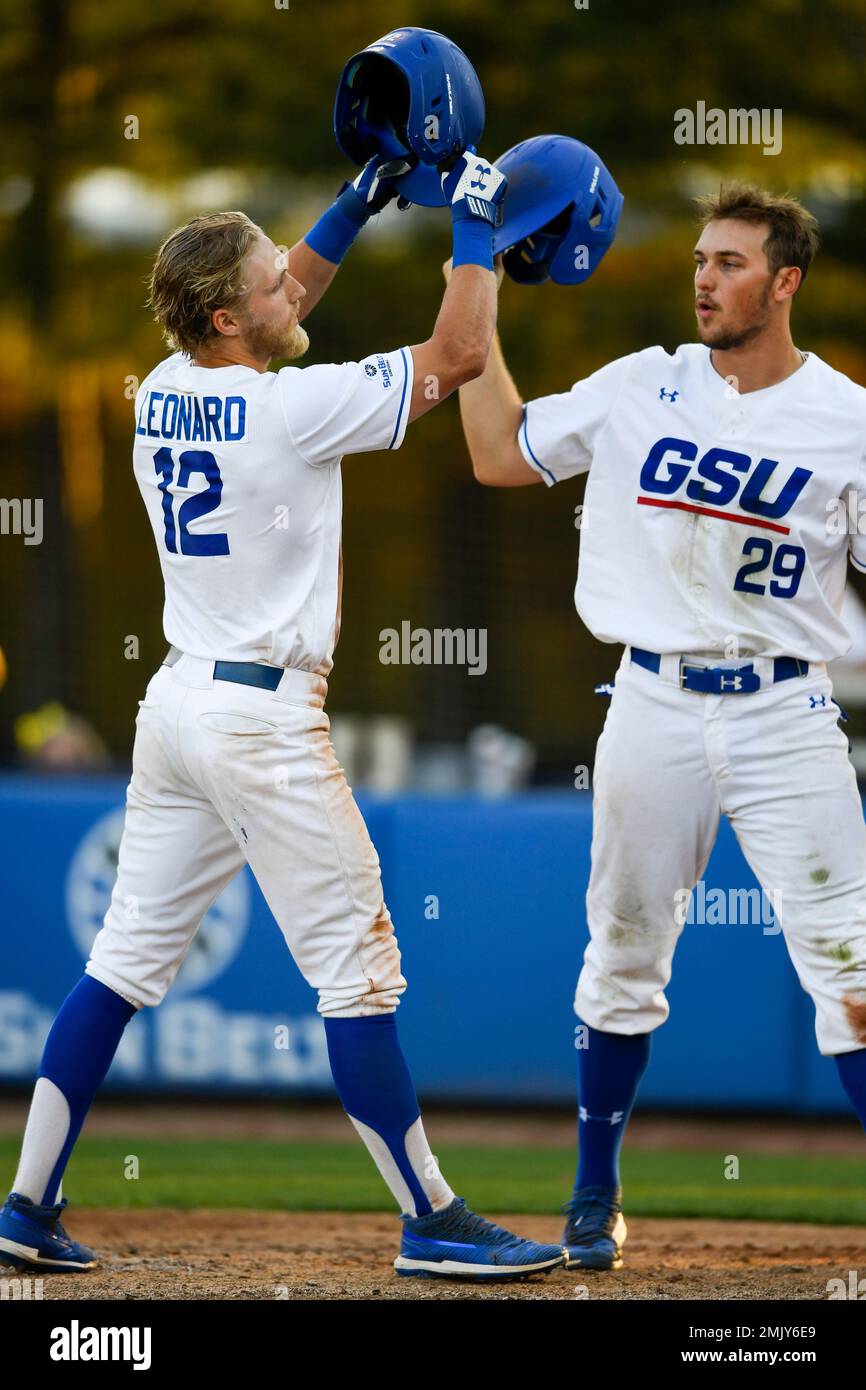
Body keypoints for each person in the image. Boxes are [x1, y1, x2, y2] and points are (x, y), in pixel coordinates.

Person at [0, 150, 566, 1282]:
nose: (293, 290)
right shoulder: (294, 406)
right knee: (358, 975)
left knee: (117, 966)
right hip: (260, 720)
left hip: (179, 704)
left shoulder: (164, 381)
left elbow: (285, 301)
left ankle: (25, 1202)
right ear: (226, 316)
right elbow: (457, 354)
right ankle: (431, 1218)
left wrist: (358, 199)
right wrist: (472, 226)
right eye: (270, 284)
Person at [454, 181, 866, 1270]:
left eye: (729, 261)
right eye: (697, 257)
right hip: (649, 703)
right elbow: (498, 450)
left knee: (854, 971)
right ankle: (592, 1195)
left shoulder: (846, 419)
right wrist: (475, 275)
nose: (702, 276)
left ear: (784, 282)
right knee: (623, 955)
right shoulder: (643, 383)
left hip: (787, 707)